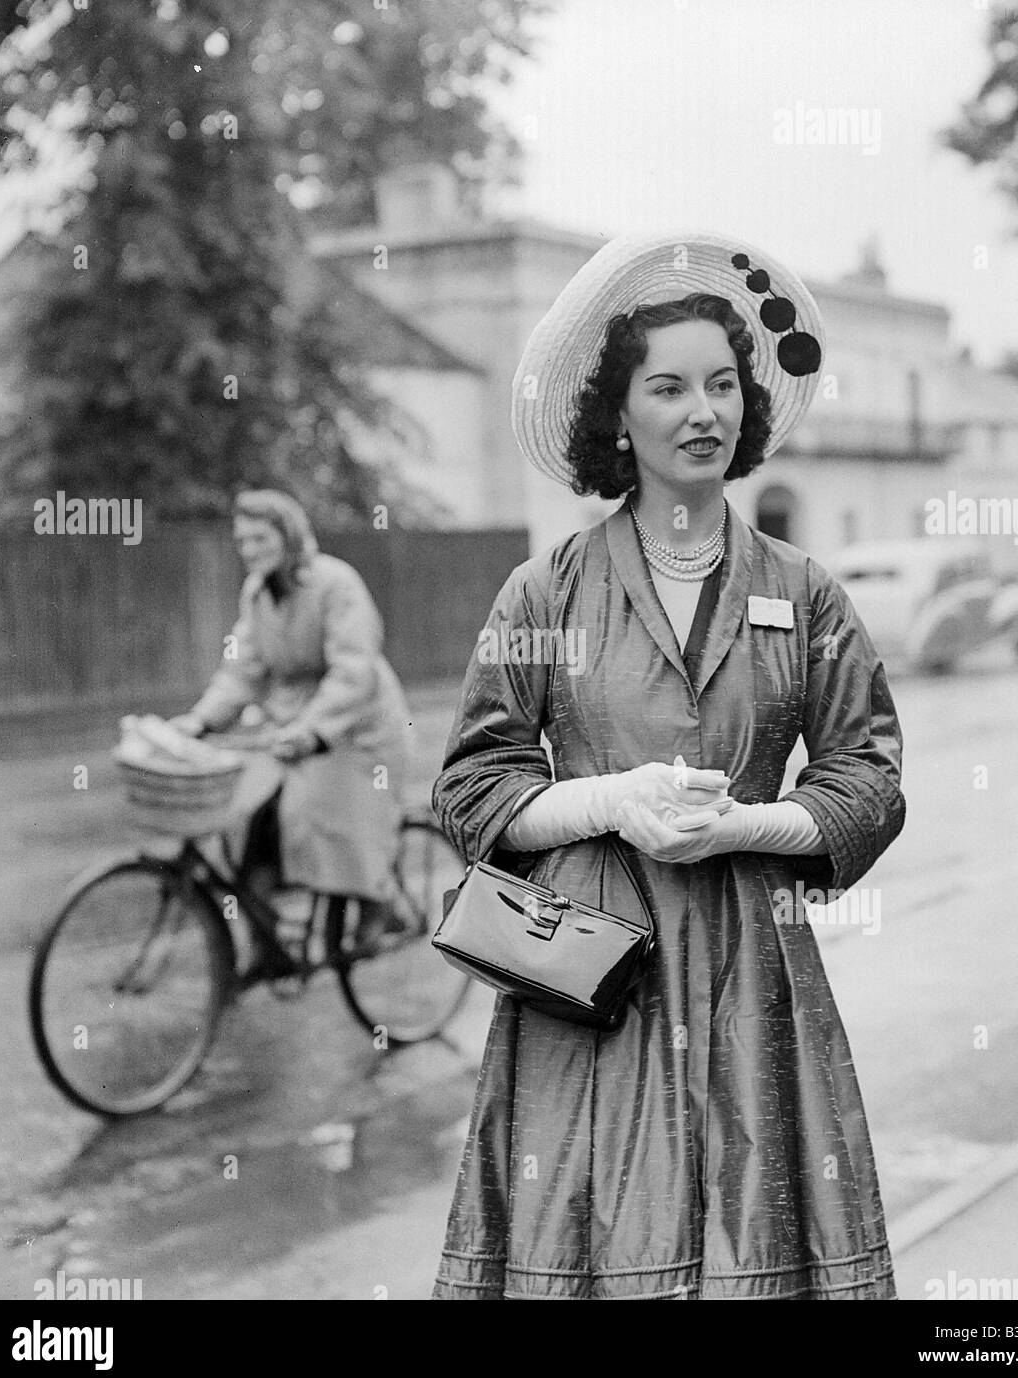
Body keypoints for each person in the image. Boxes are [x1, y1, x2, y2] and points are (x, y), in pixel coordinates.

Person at [430, 230, 906, 1300]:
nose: (701, 411)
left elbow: (866, 780)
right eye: (668, 386)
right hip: (588, 968)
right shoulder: (544, 592)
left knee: (757, 1241)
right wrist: (610, 800)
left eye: (722, 385)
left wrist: (740, 826)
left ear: (748, 406)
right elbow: (470, 788)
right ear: (620, 413)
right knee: (595, 1236)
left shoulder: (804, 588)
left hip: (753, 958)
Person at [173, 489, 413, 981]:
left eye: (260, 537)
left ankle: (380, 903)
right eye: (242, 541)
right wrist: (200, 720)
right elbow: (242, 671)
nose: (250, 550)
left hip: (358, 726)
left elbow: (354, 671)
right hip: (293, 726)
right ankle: (269, 944)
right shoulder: (256, 593)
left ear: (289, 534)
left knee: (321, 814)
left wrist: (311, 730)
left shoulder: (335, 583)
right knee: (249, 822)